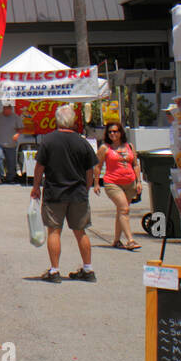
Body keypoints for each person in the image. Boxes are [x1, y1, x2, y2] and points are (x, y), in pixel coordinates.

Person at [31, 104, 102, 283]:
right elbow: (90, 170)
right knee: (81, 231)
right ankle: (88, 269)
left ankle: (54, 271)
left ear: (57, 120)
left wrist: (36, 187)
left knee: (54, 231)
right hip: (78, 193)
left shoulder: (49, 140)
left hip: (55, 193)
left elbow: (40, 166)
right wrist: (86, 187)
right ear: (73, 121)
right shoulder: (82, 142)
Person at [98, 122, 142, 251]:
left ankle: (117, 240)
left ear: (121, 132)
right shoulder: (105, 148)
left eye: (115, 131)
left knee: (121, 211)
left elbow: (135, 164)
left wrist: (139, 181)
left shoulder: (129, 146)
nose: (113, 134)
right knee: (124, 209)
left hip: (129, 183)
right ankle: (130, 240)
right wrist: (95, 183)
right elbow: (98, 165)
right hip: (112, 183)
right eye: (110, 132)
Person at [0, 104, 24, 184]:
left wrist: (17, 134)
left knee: (11, 161)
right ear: (3, 109)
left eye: (9, 109)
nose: (7, 110)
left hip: (11, 144)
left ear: (11, 109)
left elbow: (21, 128)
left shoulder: (16, 117)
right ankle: (0, 176)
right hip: (0, 142)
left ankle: (11, 177)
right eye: (5, 109)